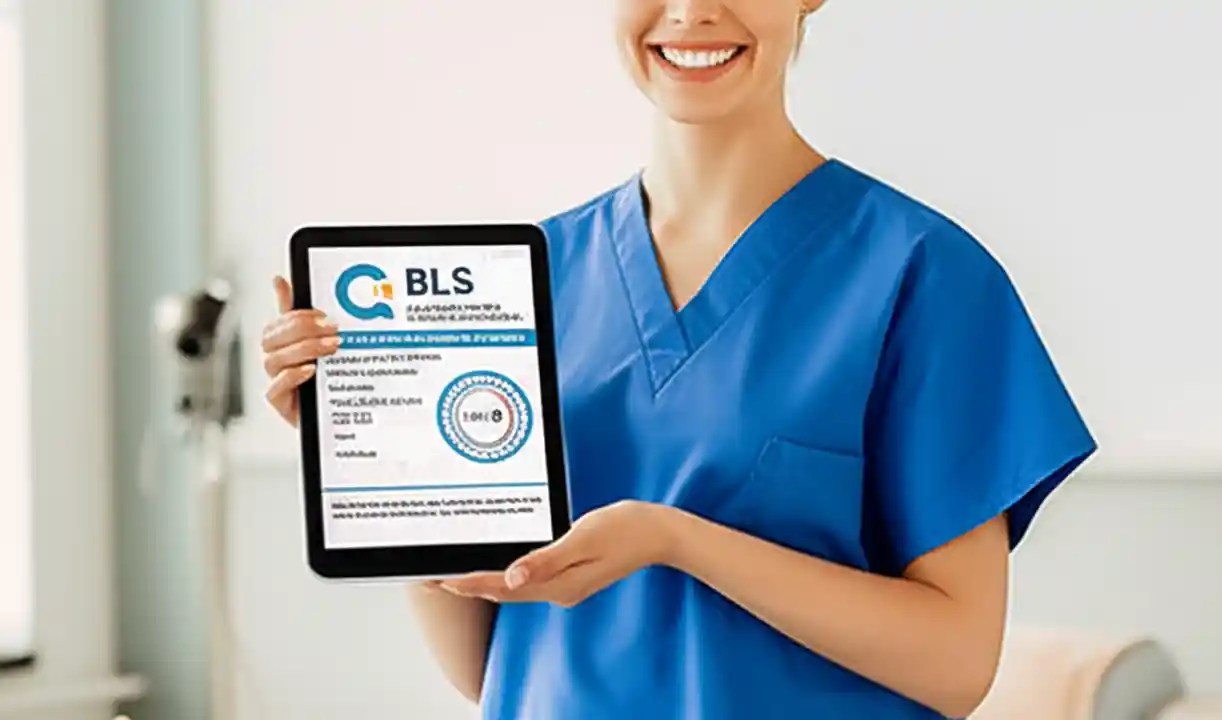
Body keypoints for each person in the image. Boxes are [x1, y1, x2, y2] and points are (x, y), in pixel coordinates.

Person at [260, 1, 1097, 717]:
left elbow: (957, 666)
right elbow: (490, 670)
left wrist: (677, 540)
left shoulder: (922, 274)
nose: (692, 8)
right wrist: (381, 468)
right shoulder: (520, 281)